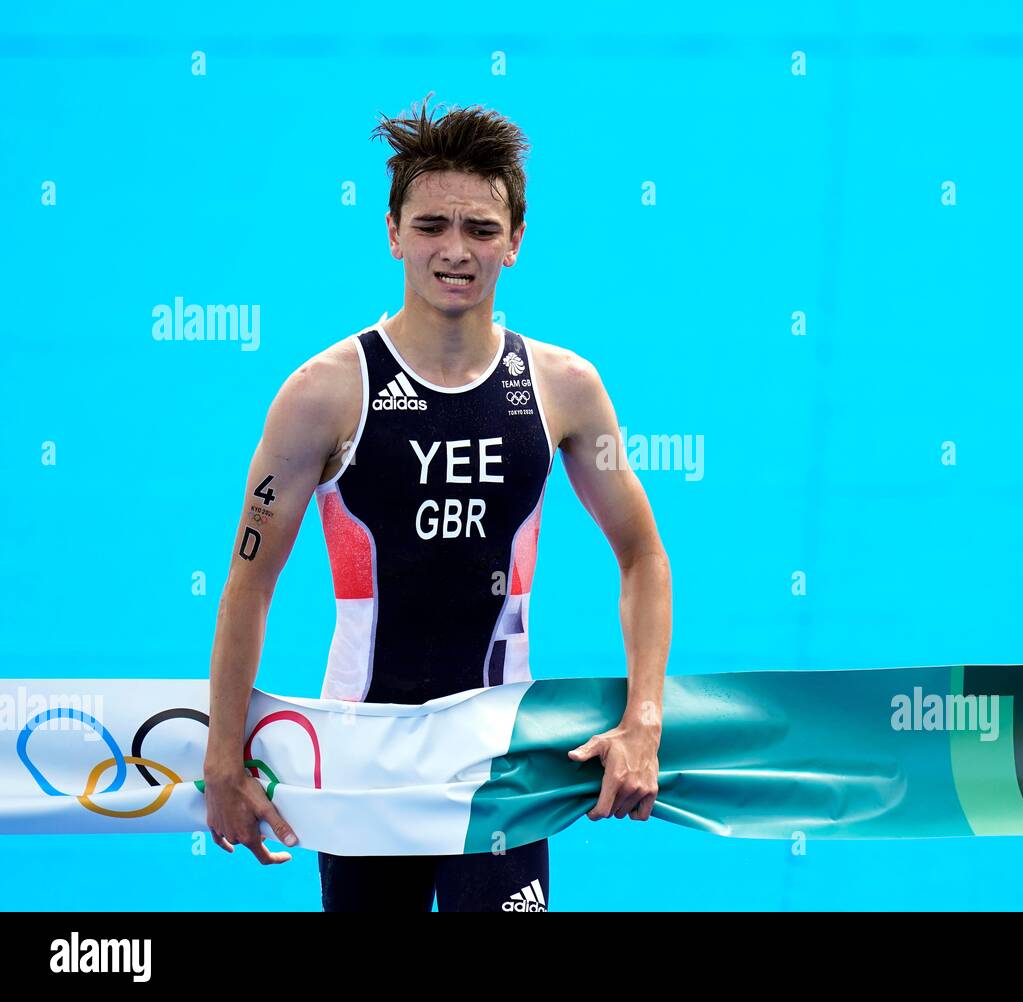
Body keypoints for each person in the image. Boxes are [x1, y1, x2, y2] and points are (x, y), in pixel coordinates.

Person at [202, 95, 672, 912]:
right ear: (392, 233)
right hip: (359, 765)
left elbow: (643, 556)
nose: (455, 250)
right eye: (430, 227)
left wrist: (644, 721)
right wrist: (221, 758)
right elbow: (248, 583)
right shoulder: (323, 395)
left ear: (515, 242)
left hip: (504, 765)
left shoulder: (565, 389)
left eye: (482, 230)